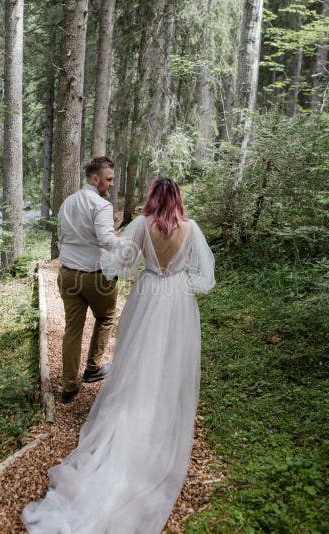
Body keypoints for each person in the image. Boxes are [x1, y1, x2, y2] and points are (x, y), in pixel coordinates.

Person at [23, 177, 216, 533]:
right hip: (177, 301)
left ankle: (133, 410)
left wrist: (144, 268)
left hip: (148, 294)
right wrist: (181, 281)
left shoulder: (142, 226)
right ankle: (161, 410)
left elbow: (118, 264)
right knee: (171, 356)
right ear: (178, 200)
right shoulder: (191, 229)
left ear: (153, 199)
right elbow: (205, 277)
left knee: (138, 356)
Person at [55, 156, 119, 404]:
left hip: (67, 273)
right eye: (109, 179)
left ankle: (69, 387)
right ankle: (92, 368)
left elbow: (62, 236)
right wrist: (125, 243)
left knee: (72, 328)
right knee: (105, 317)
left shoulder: (67, 203)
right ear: (96, 179)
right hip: (95, 277)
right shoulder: (101, 206)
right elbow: (106, 240)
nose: (111, 184)